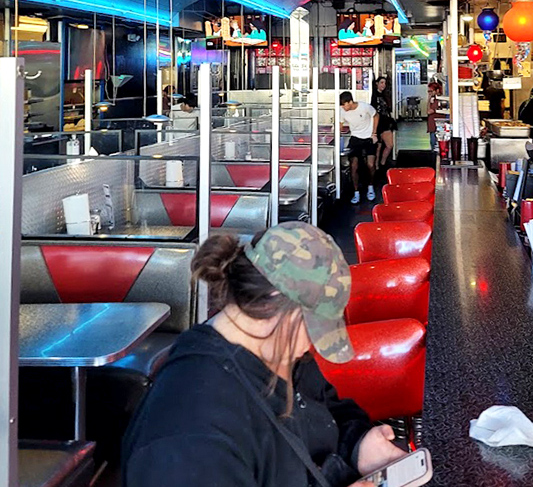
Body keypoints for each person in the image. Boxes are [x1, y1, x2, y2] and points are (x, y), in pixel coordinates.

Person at [123, 223, 405, 487]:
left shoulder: (280, 353)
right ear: (273, 298)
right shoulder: (188, 432)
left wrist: (358, 444)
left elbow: (328, 408)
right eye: (313, 325)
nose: (311, 344)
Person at [339, 91, 379, 203]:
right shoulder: (342, 111)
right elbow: (340, 124)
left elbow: (375, 116)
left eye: (344, 105)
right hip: (355, 138)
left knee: (370, 165)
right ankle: (356, 192)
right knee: (354, 166)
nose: (343, 107)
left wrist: (374, 133)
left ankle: (370, 187)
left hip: (368, 137)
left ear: (350, 102)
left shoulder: (365, 107)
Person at [371, 76, 396, 169]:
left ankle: (382, 163)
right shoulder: (373, 95)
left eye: (385, 83)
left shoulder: (385, 95)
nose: (383, 85)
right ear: (377, 83)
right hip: (376, 123)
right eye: (381, 83)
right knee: (378, 146)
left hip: (385, 122)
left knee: (389, 145)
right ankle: (376, 165)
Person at [426, 81, 440, 151]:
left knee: (434, 144)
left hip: (436, 127)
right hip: (432, 126)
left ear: (437, 90)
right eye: (428, 91)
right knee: (432, 143)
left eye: (431, 91)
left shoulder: (438, 101)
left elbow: (428, 111)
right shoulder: (433, 100)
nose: (430, 93)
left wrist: (428, 99)